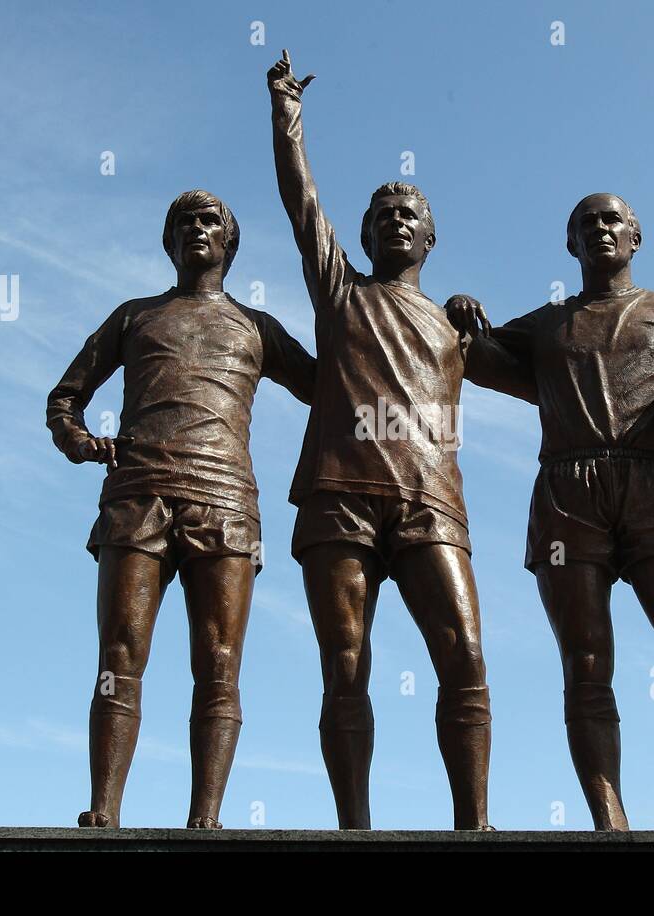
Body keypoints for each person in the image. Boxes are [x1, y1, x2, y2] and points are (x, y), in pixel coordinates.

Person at [449, 193, 654, 830]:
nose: (600, 228)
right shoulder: (548, 324)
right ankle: (609, 822)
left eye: (611, 220)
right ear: (570, 244)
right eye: (586, 223)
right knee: (587, 661)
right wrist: (460, 314)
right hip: (570, 492)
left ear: (636, 236)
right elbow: (471, 357)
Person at [268, 50, 492, 829]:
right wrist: (287, 113)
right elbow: (302, 203)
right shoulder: (340, 290)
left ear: (431, 236)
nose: (396, 217)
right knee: (346, 667)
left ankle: (474, 825)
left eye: (410, 211)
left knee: (463, 654)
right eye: (381, 212)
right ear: (361, 234)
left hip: (432, 497)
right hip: (341, 495)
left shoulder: (461, 324)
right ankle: (353, 830)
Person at [46, 189, 315, 829]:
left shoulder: (257, 327)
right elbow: (66, 396)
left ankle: (207, 818)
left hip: (224, 500)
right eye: (184, 222)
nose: (197, 229)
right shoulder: (136, 317)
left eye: (209, 221)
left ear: (230, 242)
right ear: (168, 242)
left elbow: (328, 389)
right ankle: (105, 811)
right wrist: (79, 442)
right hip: (137, 496)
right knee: (120, 653)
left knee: (219, 661)